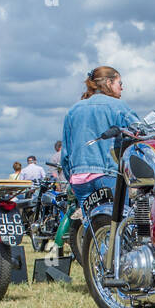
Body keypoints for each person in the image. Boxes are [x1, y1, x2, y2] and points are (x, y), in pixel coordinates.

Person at [60, 65, 139, 209]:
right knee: (119, 223)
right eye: (120, 83)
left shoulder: (73, 110)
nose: (122, 88)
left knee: (91, 224)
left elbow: (66, 152)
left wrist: (70, 177)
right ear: (109, 83)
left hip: (79, 177)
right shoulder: (118, 106)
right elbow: (140, 133)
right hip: (109, 174)